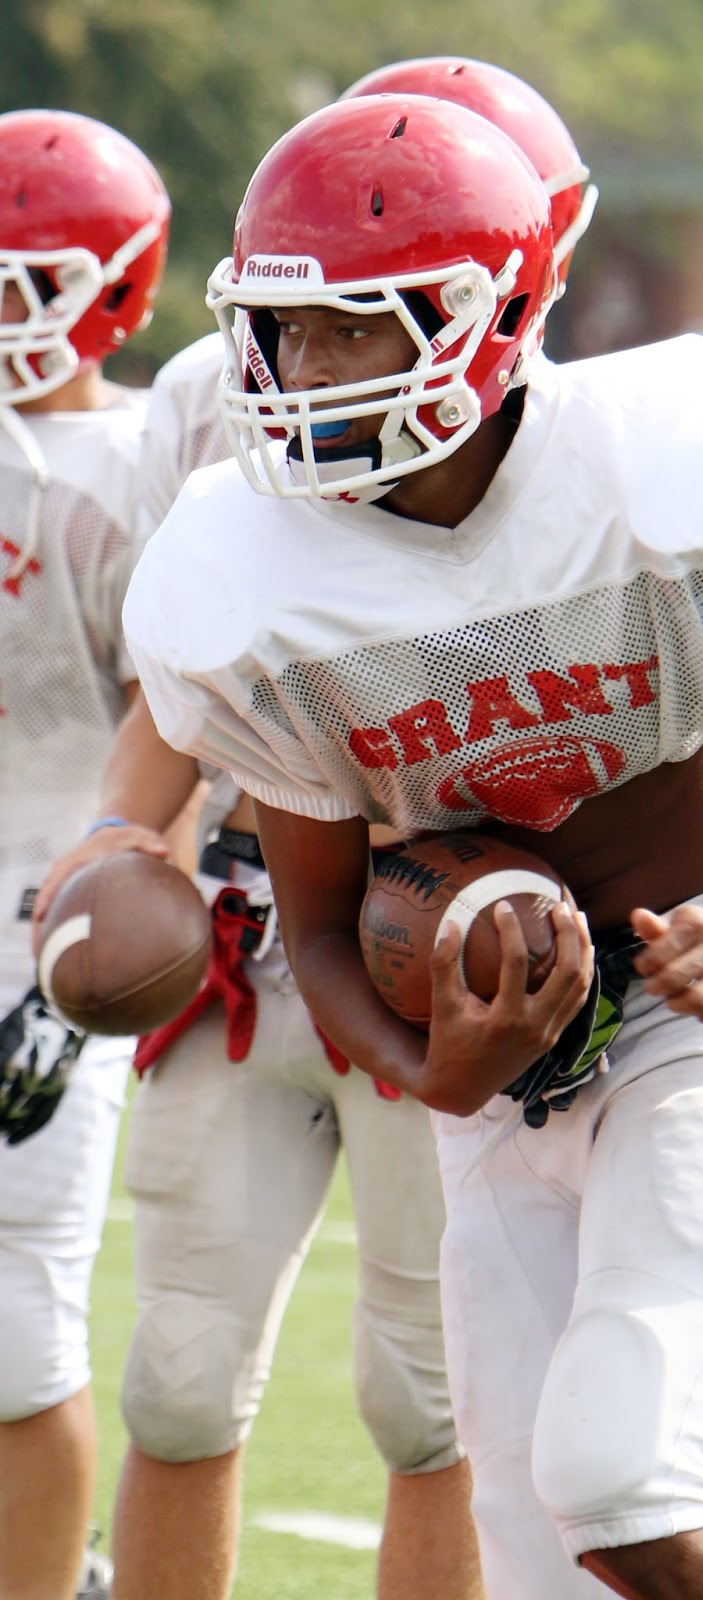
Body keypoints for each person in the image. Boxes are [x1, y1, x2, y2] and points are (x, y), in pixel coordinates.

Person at [122, 93, 703, 1600]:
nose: (303, 372)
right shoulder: (249, 574)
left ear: (481, 310)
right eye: (285, 333)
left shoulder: (667, 474)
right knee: (541, 1563)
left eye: (352, 329)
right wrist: (426, 1065)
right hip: (497, 1083)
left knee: (625, 1480)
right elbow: (313, 926)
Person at [35, 59, 600, 1600]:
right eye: (312, 312)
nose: (326, 351)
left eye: (375, 307)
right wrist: (109, 844)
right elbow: (188, 678)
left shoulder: (585, 476)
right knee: (178, 1367)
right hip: (241, 933)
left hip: (438, 947)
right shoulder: (237, 446)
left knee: (432, 1401)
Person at [0, 108, 170, 1600]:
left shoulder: (136, 465)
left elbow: (179, 731)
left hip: (47, 915)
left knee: (15, 1315)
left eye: (18, 282)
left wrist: (89, 954)